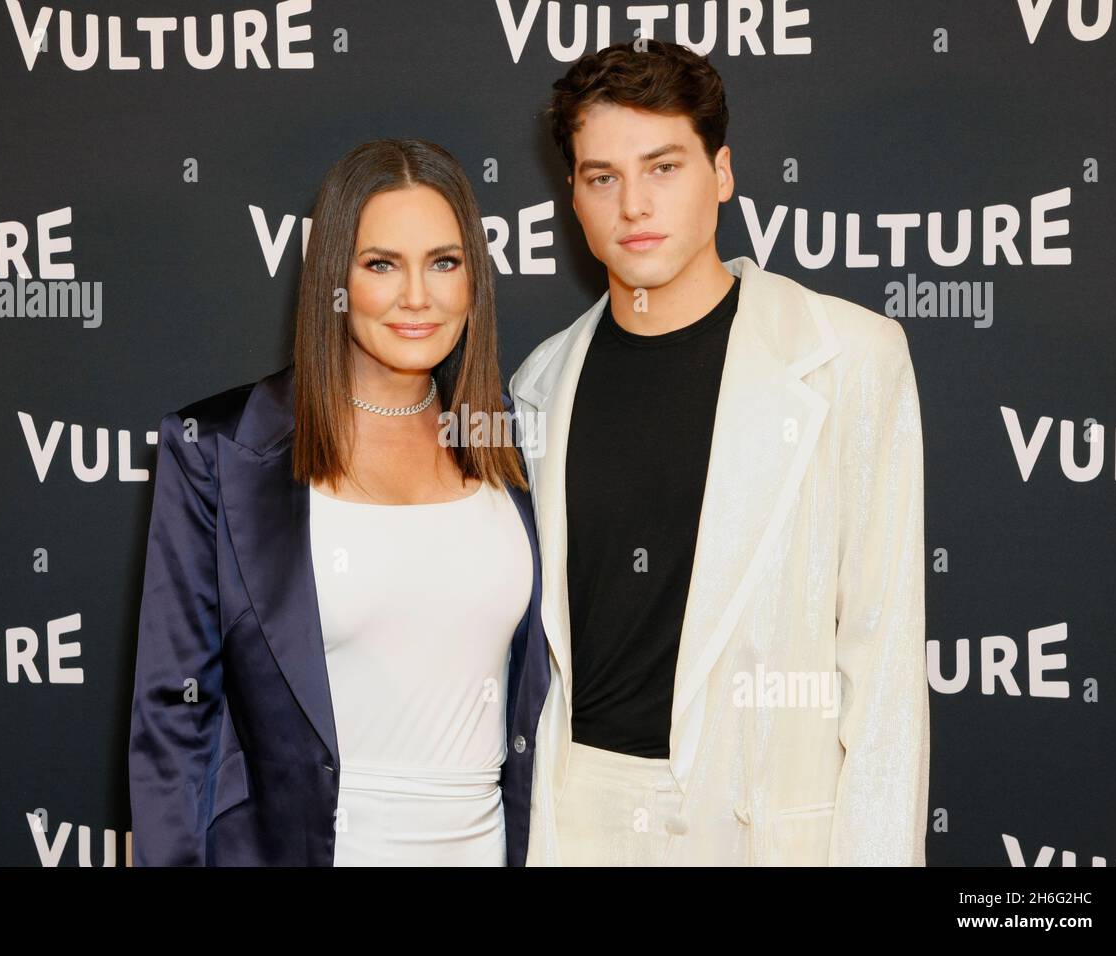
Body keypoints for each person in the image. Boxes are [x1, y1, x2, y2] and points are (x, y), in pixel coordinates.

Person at [508, 39, 930, 865]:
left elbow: (882, 667)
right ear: (575, 197)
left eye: (663, 167)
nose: (633, 205)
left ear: (722, 173)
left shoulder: (849, 357)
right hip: (578, 815)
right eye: (603, 177)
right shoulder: (538, 384)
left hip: (763, 822)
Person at [128, 139, 551, 866]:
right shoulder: (220, 449)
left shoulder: (514, 438)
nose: (416, 297)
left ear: (474, 281)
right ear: (334, 278)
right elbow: (174, 715)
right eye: (381, 264)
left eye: (444, 263)